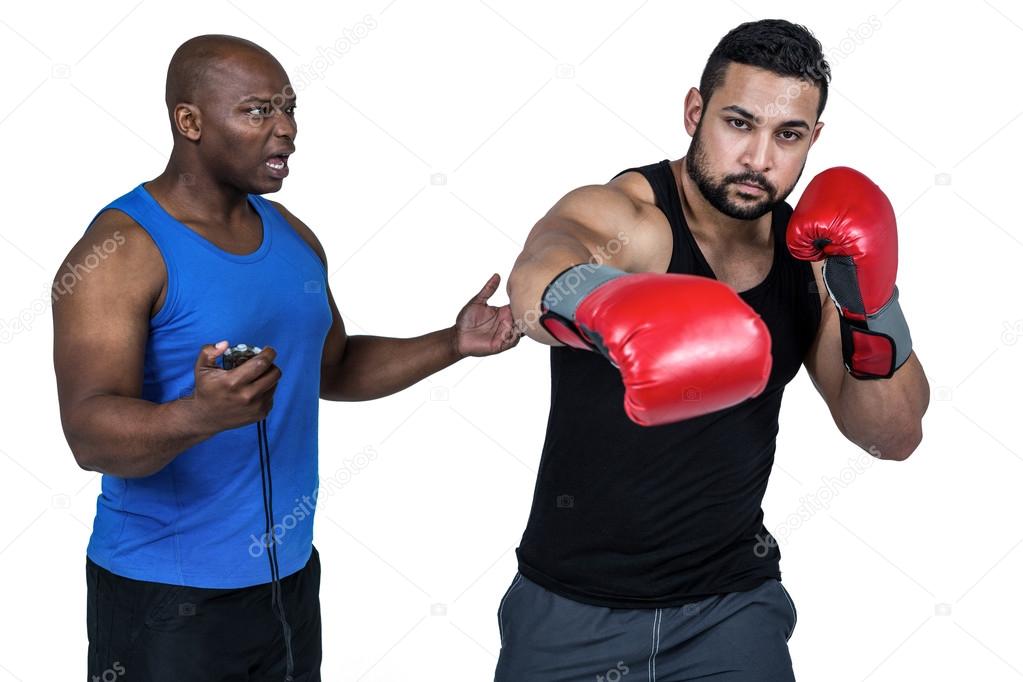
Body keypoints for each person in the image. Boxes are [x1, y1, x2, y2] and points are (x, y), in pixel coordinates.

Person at [51, 34, 519, 682]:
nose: (286, 130)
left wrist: (450, 342)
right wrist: (197, 415)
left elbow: (332, 367)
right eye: (257, 111)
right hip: (162, 597)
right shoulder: (120, 250)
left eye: (289, 108)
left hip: (288, 581)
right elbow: (88, 435)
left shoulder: (292, 236)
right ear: (189, 121)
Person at [499, 19, 929, 681]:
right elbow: (532, 281)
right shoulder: (631, 218)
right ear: (694, 112)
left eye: (786, 135)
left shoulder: (811, 262)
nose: (759, 158)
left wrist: (871, 305)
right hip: (569, 607)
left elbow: (891, 436)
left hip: (731, 608)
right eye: (737, 123)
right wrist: (605, 304)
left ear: (812, 140)